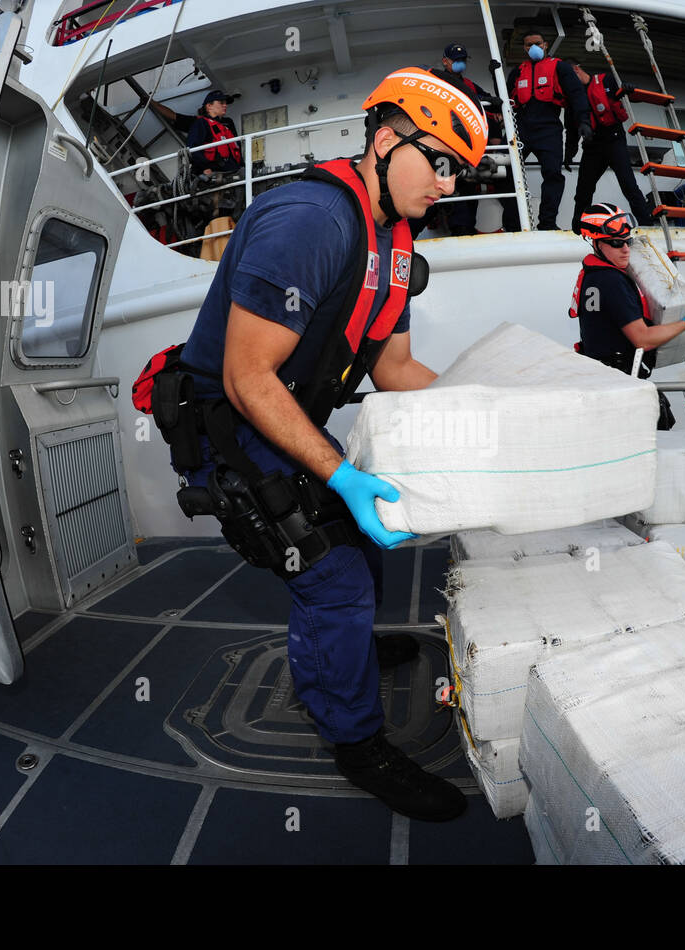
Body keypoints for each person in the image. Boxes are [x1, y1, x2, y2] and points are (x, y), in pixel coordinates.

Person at [175, 67, 489, 821]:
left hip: (285, 413)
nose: (449, 184)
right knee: (332, 574)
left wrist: (489, 401)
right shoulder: (311, 220)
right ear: (386, 141)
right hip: (231, 421)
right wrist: (341, 473)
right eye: (440, 161)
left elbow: (394, 366)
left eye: (461, 171)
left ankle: (342, 647)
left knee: (357, 542)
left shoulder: (401, 242)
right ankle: (355, 739)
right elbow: (248, 378)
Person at [569, 203, 685, 429]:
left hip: (602, 383)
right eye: (616, 243)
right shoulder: (612, 281)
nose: (625, 249)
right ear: (596, 243)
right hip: (621, 390)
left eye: (627, 241)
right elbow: (641, 338)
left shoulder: (592, 276)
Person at [428, 42, 518, 235]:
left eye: (463, 60)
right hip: (448, 148)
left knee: (487, 184)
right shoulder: (437, 81)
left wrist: (494, 88)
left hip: (472, 150)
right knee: (453, 189)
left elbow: (488, 101)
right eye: (456, 60)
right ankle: (460, 229)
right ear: (445, 61)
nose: (460, 63)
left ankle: (514, 224)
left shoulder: (469, 85)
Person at [505, 28, 590, 230]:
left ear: (545, 45)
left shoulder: (559, 67)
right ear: (524, 48)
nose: (534, 47)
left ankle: (547, 223)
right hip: (522, 127)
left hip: (549, 128)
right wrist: (494, 74)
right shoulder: (517, 71)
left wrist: (584, 121)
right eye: (528, 45)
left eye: (538, 43)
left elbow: (577, 94)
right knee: (510, 175)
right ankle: (512, 224)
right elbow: (506, 98)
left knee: (553, 174)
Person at [567, 59, 655, 232]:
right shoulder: (573, 98)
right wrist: (568, 154)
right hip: (592, 147)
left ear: (577, 70)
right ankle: (578, 230)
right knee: (583, 191)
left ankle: (647, 225)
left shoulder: (605, 80)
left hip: (614, 140)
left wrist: (630, 89)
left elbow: (628, 96)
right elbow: (570, 128)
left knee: (629, 185)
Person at [187, 90, 244, 176]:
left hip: (234, 172)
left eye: (225, 103)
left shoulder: (227, 126)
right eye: (221, 102)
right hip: (215, 173)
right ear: (209, 106)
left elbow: (237, 149)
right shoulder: (201, 123)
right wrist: (205, 168)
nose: (225, 105)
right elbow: (193, 149)